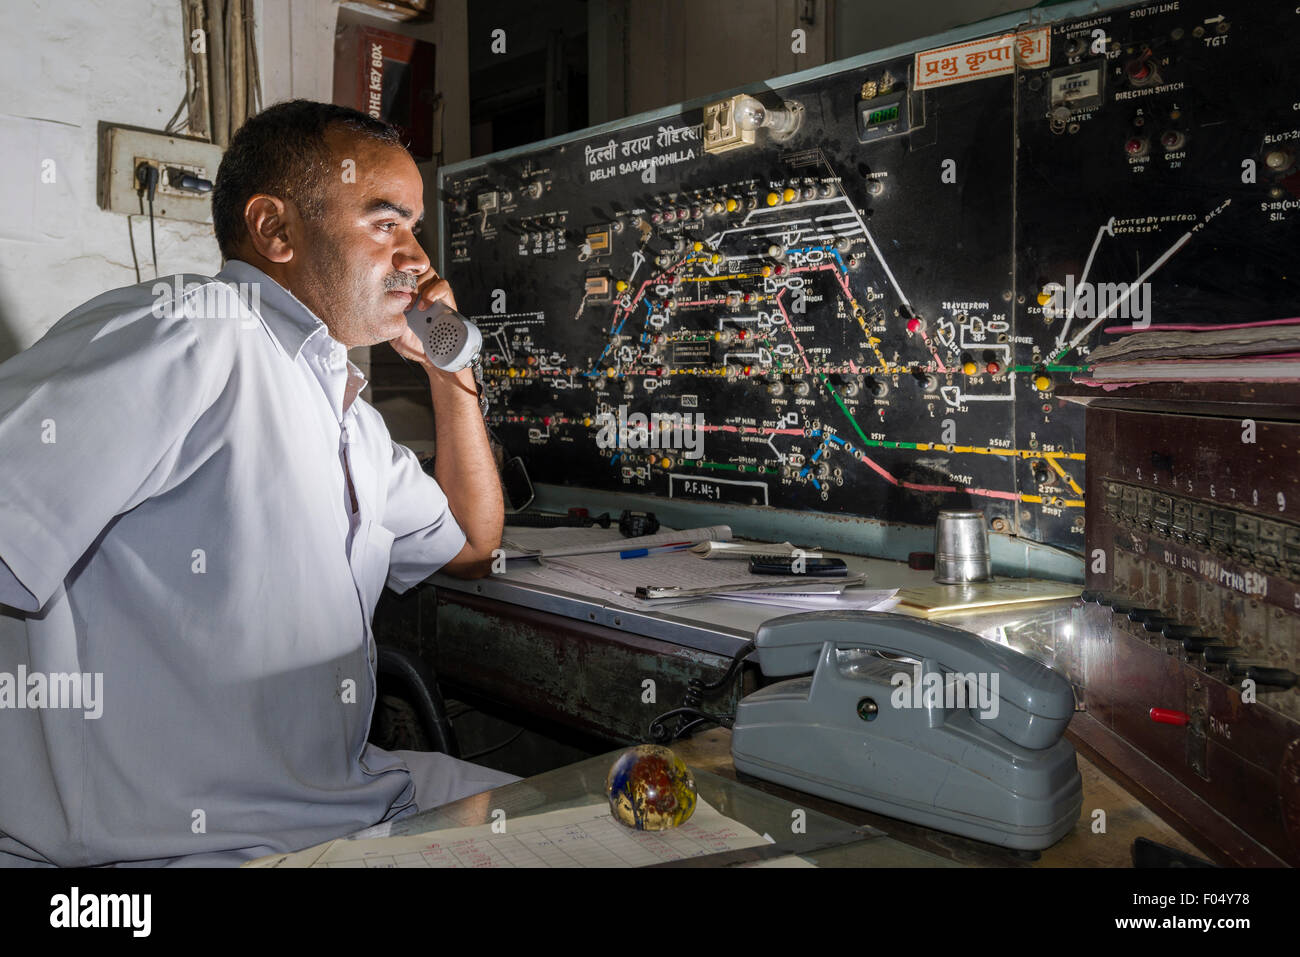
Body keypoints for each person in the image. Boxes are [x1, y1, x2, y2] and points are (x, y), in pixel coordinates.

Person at [0, 100, 517, 866]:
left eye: (415, 227)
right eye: (384, 223)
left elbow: (473, 544)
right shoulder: (196, 333)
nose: (416, 258)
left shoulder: (347, 416)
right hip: (173, 848)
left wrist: (451, 366)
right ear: (276, 230)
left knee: (621, 815)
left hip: (340, 804)